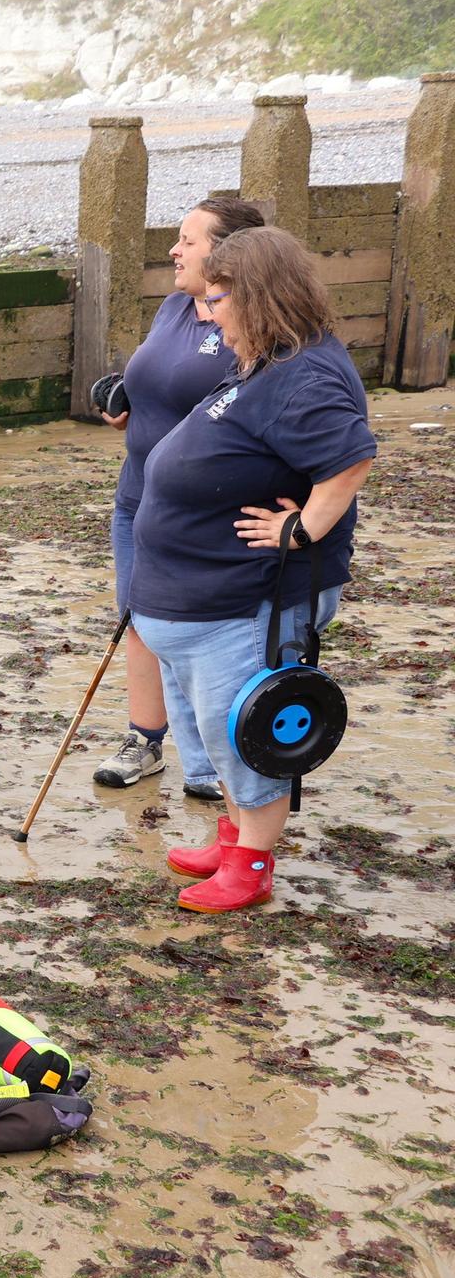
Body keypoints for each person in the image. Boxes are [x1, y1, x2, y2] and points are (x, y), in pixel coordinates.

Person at [130, 226, 375, 913]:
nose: (206, 316)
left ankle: (253, 865)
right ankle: (234, 836)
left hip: (249, 599)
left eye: (217, 300)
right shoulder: (273, 359)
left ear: (258, 296)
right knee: (214, 725)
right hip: (200, 598)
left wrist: (303, 528)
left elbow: (351, 456)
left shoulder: (308, 373)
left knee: (244, 728)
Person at [89, 195, 265, 794]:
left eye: (189, 240)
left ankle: (211, 762)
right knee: (139, 620)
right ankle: (145, 742)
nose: (174, 249)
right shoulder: (171, 307)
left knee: (196, 632)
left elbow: (259, 414)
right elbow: (160, 385)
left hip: (204, 509)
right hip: (137, 497)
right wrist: (124, 404)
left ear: (228, 254)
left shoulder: (248, 326)